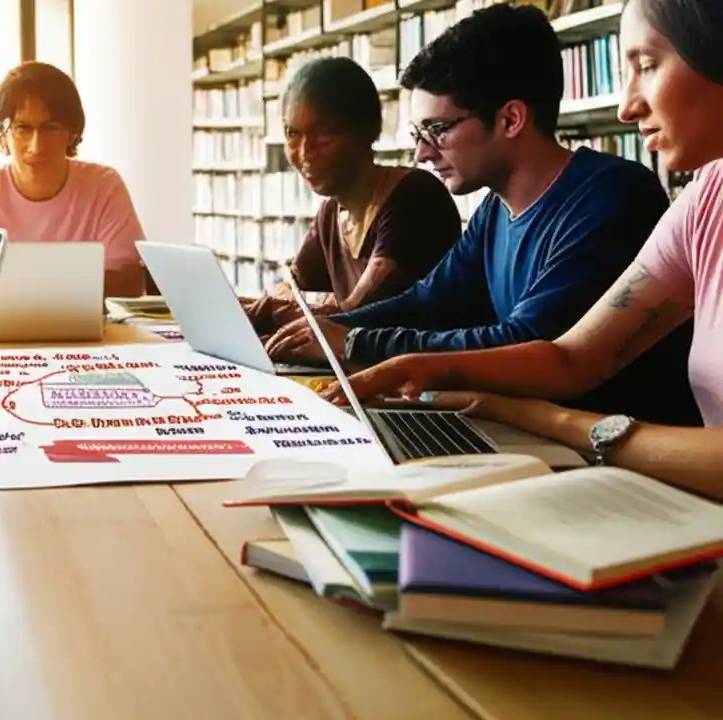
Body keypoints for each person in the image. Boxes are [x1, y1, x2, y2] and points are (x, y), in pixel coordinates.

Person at [329, 0, 723, 500]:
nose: (626, 107)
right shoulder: (706, 196)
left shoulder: (615, 194)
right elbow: (571, 356)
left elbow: (543, 346)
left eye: (646, 65)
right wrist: (412, 362)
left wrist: (550, 420)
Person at [245, 57, 461, 339]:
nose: (304, 153)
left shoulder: (414, 195)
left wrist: (269, 311)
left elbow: (357, 314)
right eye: (292, 134)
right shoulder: (331, 213)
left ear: (367, 130)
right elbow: (290, 289)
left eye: (324, 135)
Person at [0, 61, 146, 298]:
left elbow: (130, 283)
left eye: (50, 128)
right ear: (3, 133)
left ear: (71, 133)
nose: (36, 146)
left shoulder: (103, 186)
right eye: (22, 128)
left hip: (87, 322)